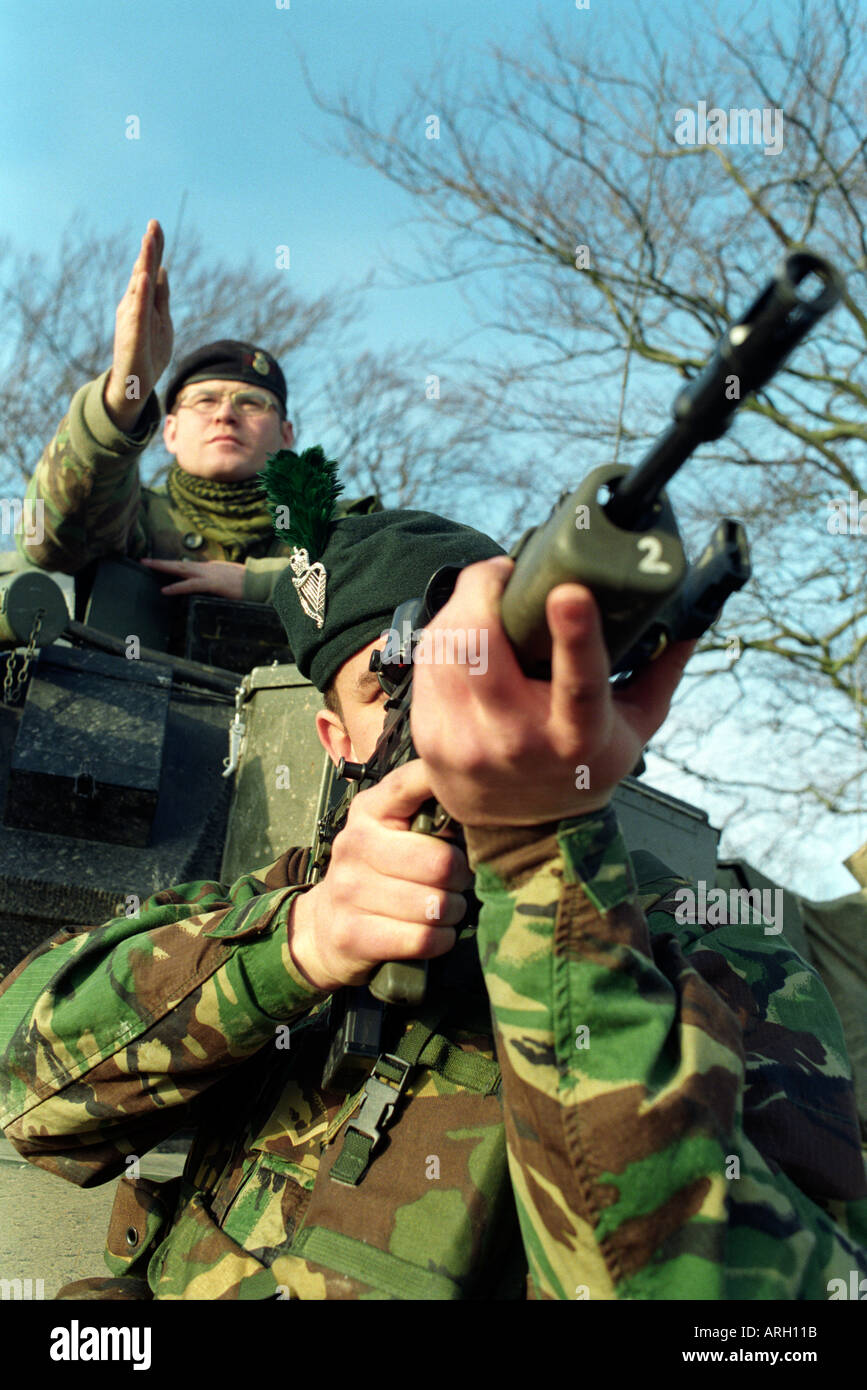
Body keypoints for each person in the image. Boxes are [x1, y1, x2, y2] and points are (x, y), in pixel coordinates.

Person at [1, 502, 865, 1300]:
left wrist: (548, 885)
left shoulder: (704, 950)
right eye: (391, 688)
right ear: (337, 739)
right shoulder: (279, 897)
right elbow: (25, 1095)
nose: (437, 720)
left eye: (466, 672)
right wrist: (293, 948)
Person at [15, 219, 374, 608]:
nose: (225, 415)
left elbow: (410, 577)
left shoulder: (339, 528)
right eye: (204, 401)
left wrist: (262, 584)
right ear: (169, 431)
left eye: (251, 403)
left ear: (287, 436)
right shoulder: (131, 518)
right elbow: (44, 542)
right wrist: (125, 393)